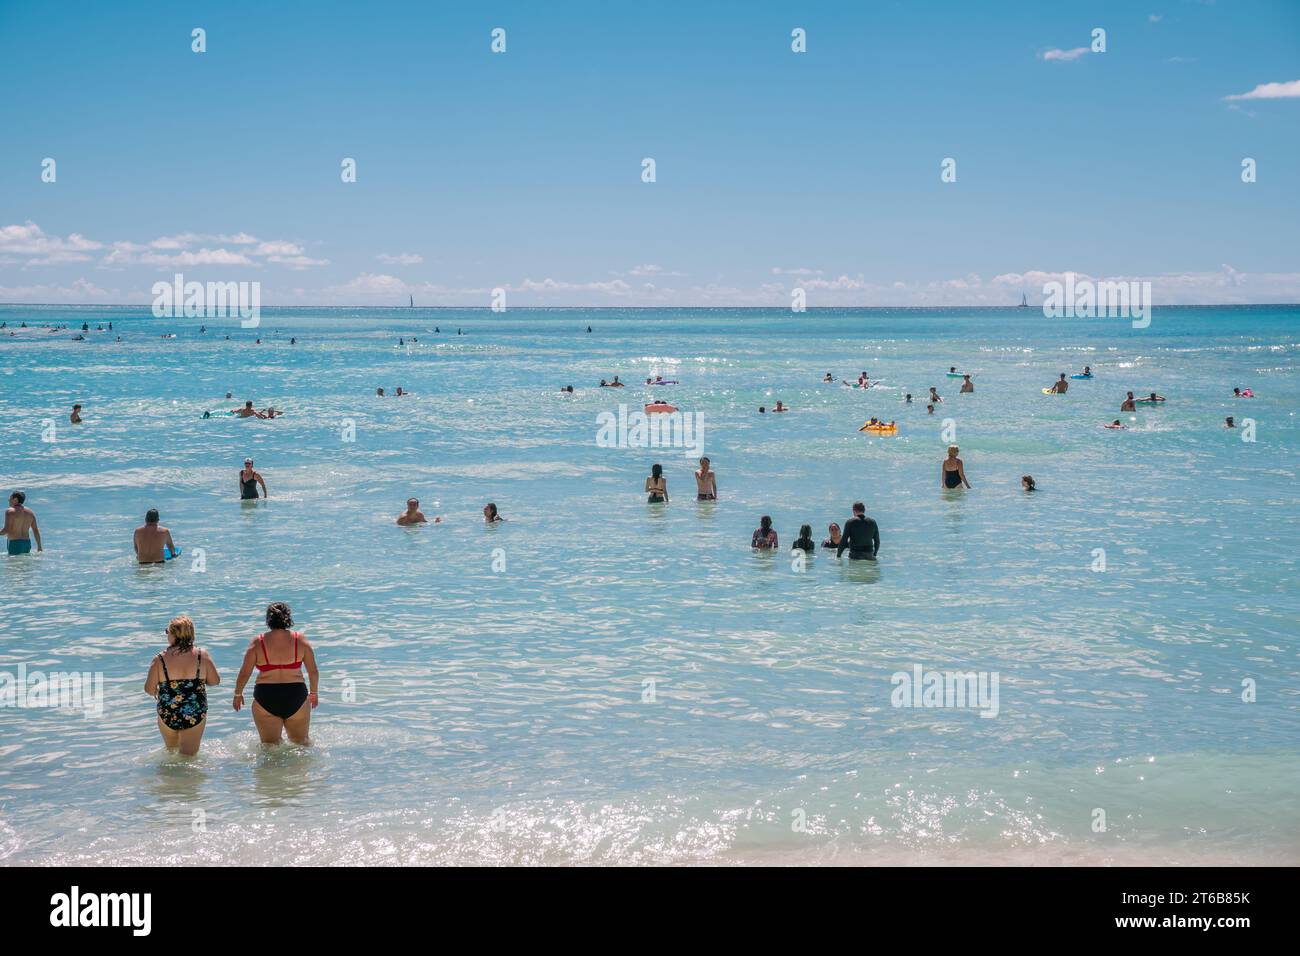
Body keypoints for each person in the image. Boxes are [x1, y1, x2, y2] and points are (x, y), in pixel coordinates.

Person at [232, 603, 318, 745]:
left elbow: (244, 673)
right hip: (296, 694)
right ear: (288, 618)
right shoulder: (299, 640)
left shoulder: (258, 642)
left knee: (269, 746)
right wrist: (314, 692)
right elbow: (313, 671)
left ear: (268, 620)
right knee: (301, 744)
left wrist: (238, 694)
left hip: (266, 695)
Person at [144, 614, 220, 756]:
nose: (167, 635)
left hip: (168, 712)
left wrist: (158, 689)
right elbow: (215, 681)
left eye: (167, 632)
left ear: (173, 634)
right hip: (195, 713)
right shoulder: (201, 656)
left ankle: (169, 778)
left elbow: (148, 689)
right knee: (188, 758)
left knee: (171, 753)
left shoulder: (160, 659)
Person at [4, 491, 43, 555]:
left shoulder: (10, 511)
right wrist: (39, 546)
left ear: (15, 499)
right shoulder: (30, 512)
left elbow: (6, 530)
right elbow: (35, 530)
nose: (8, 500)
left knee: (14, 564)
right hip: (26, 543)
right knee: (25, 564)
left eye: (10, 498)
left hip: (14, 543)